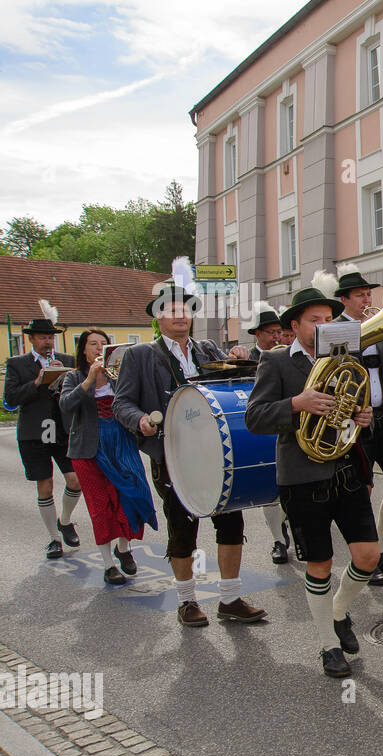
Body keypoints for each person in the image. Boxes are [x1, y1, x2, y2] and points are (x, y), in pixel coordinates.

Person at [112, 261, 267, 627]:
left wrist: (243, 362)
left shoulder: (208, 348)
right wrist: (141, 421)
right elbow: (121, 403)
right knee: (182, 525)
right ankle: (186, 601)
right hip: (171, 452)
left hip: (218, 450)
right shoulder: (140, 355)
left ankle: (229, 598)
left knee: (230, 519)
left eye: (184, 308)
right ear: (158, 317)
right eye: (170, 309)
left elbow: (233, 388)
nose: (179, 314)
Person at [246, 283, 379, 678]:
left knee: (368, 557)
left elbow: (354, 404)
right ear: (295, 325)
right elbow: (254, 416)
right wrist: (295, 404)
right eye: (314, 321)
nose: (323, 326)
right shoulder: (275, 362)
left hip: (346, 469)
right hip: (302, 475)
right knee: (319, 562)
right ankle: (327, 645)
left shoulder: (342, 358)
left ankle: (339, 610)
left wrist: (361, 417)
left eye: (327, 319)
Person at [325, 263, 383, 587]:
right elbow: (330, 373)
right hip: (352, 420)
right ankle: (368, 555)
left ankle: (381, 545)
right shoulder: (334, 330)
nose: (366, 299)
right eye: (360, 295)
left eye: (368, 294)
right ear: (345, 299)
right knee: (362, 490)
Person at [58, 329, 157, 585]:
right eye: (93, 344)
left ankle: (123, 548)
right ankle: (108, 564)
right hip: (88, 449)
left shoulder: (118, 377)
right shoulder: (73, 376)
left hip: (121, 443)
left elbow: (135, 402)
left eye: (103, 344)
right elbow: (66, 405)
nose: (98, 348)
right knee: (100, 506)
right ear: (83, 350)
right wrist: (89, 380)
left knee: (131, 496)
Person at [4, 301, 81, 559]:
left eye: (50, 337)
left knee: (75, 480)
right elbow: (11, 398)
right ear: (32, 340)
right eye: (42, 338)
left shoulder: (67, 360)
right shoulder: (17, 364)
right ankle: (54, 539)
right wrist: (37, 381)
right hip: (33, 433)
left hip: (62, 430)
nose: (47, 342)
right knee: (45, 486)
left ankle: (66, 519)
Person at [246, 301, 293, 564]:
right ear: (258, 335)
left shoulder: (288, 355)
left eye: (279, 332)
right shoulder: (246, 359)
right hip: (263, 429)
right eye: (271, 333)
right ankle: (278, 539)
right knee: (269, 488)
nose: (277, 336)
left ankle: (291, 528)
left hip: (287, 425)